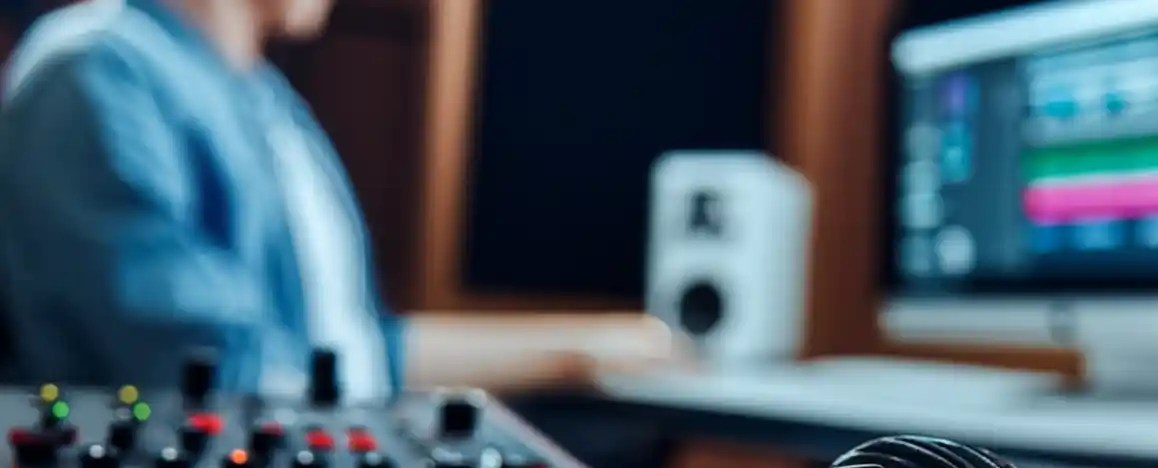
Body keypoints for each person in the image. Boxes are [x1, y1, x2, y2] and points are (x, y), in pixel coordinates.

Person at [0, 0, 677, 399]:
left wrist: (582, 351)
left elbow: (346, 350)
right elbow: (221, 376)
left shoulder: (262, 98)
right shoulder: (96, 73)